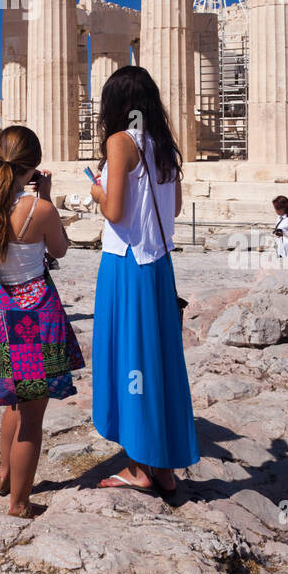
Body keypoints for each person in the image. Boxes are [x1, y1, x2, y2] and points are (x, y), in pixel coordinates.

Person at [89, 66, 199, 496]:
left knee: (129, 358)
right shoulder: (163, 146)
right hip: (158, 265)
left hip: (126, 263)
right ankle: (165, 467)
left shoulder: (120, 143)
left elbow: (114, 212)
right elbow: (171, 213)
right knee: (159, 360)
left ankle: (138, 466)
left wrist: (96, 193)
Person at [0, 126, 84, 518]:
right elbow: (61, 250)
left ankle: (3, 477)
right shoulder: (40, 210)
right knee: (32, 418)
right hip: (36, 318)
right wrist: (46, 197)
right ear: (32, 167)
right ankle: (19, 504)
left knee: (12, 404)